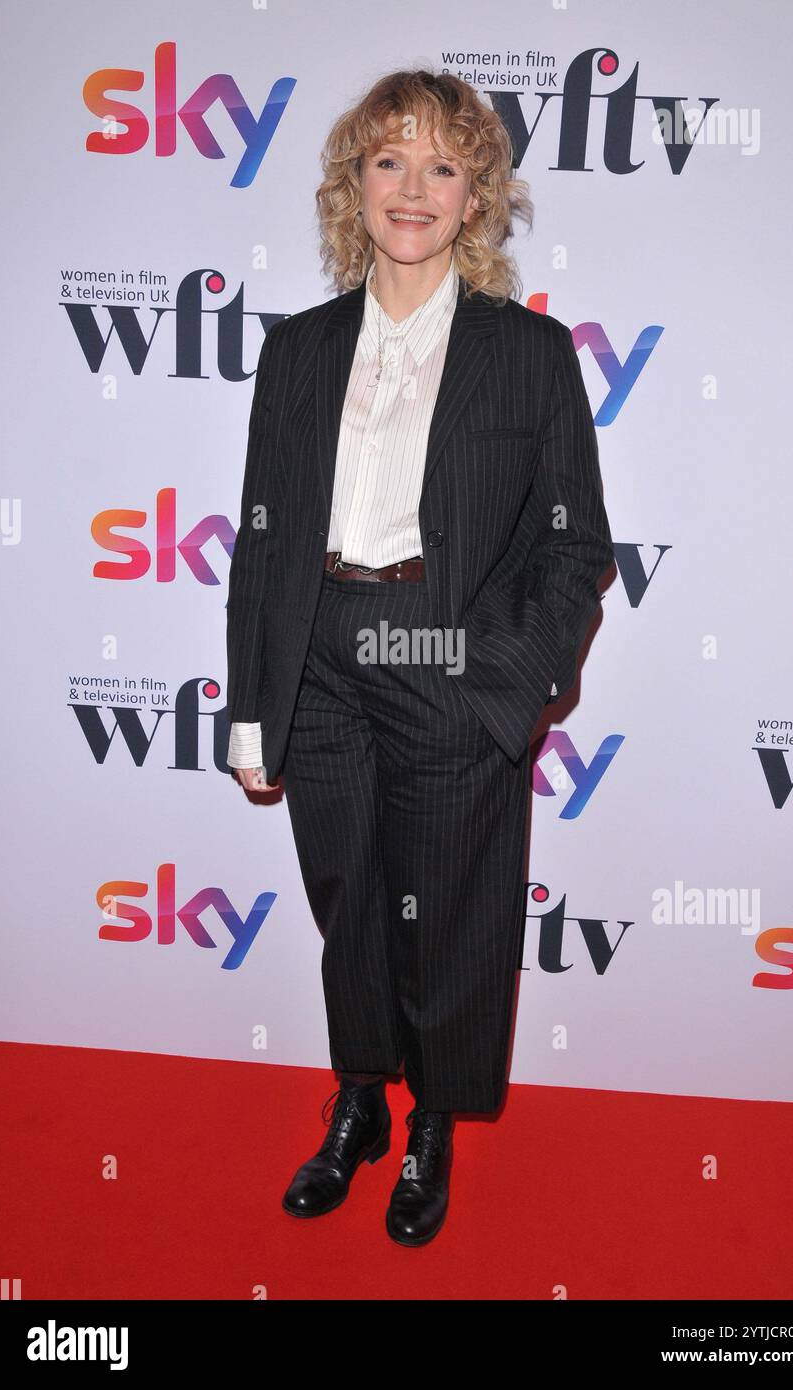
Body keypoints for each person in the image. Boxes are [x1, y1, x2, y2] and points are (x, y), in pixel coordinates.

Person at [225, 68, 614, 1246]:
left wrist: (512, 681)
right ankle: (358, 1100)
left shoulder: (528, 352)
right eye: (389, 159)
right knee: (349, 900)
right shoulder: (295, 351)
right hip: (319, 657)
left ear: (474, 194)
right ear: (355, 180)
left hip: (447, 652)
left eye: (442, 165)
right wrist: (253, 711)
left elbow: (576, 546)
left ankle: (433, 1119)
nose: (413, 187)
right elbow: (260, 541)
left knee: (446, 908)